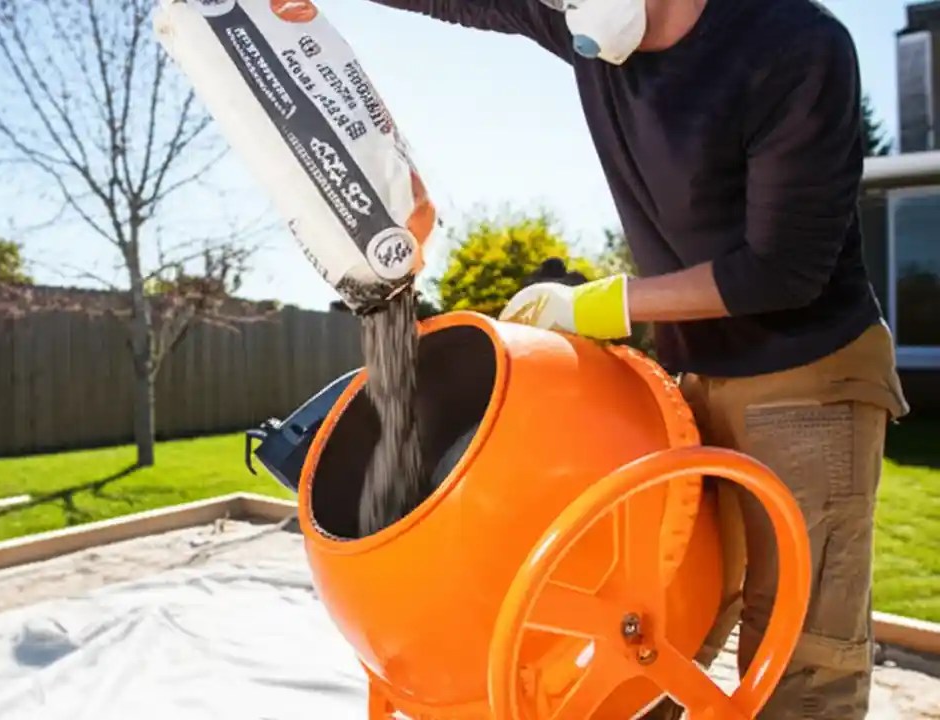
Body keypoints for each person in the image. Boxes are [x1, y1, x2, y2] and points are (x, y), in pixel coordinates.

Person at [362, 0, 909, 718]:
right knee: (671, 617)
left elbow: (784, 270)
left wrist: (603, 306)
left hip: (808, 380)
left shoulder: (795, 45)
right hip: (697, 380)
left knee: (800, 655)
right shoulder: (589, 17)